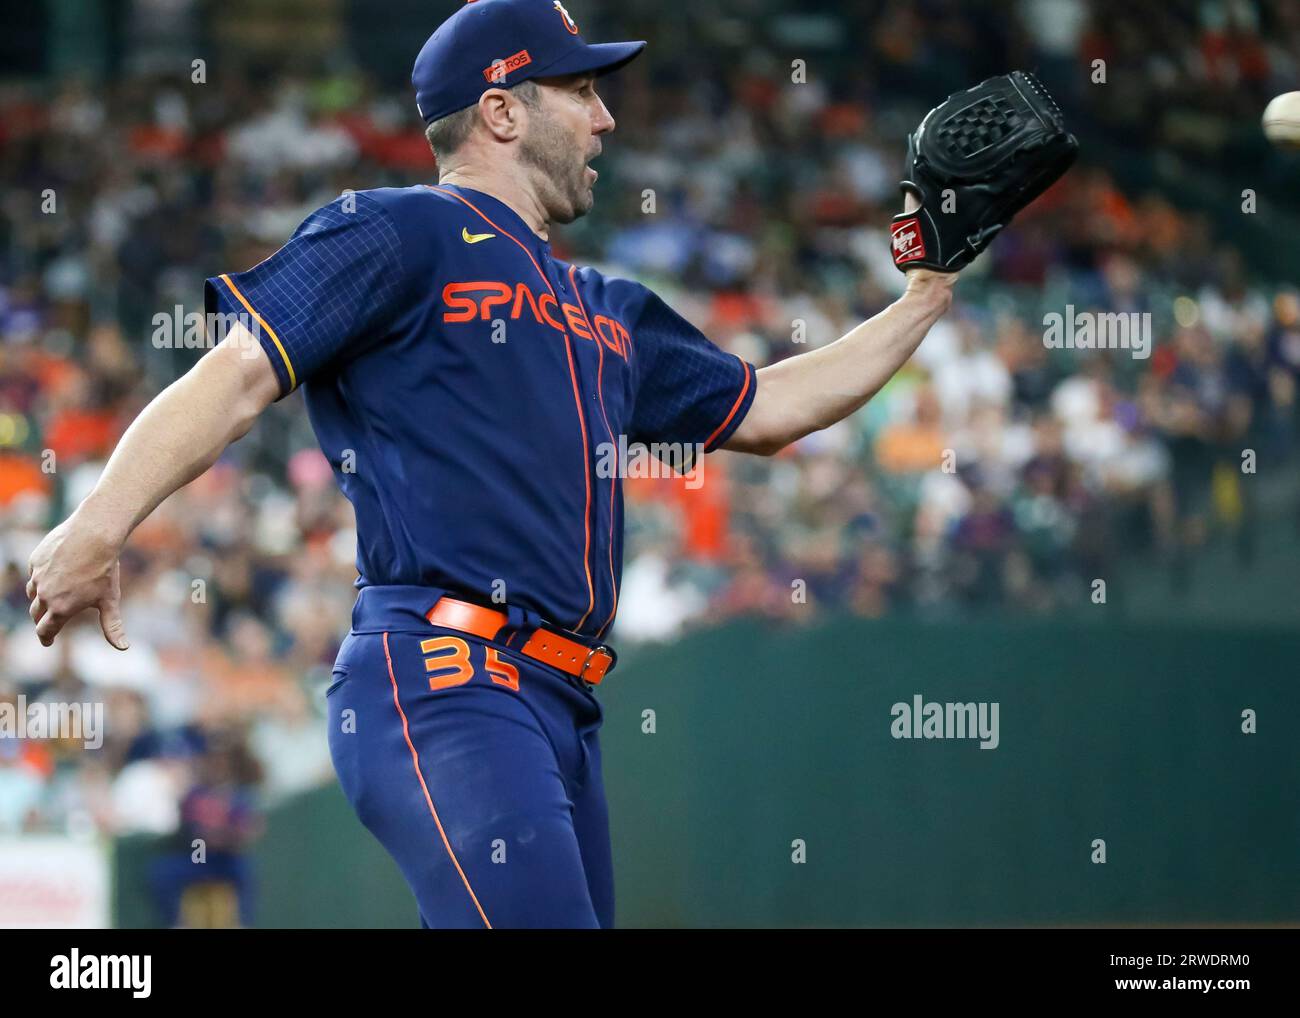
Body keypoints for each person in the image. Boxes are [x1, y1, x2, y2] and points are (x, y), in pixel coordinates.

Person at [26, 0, 958, 928]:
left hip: (563, 705)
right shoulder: (397, 232)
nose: (607, 119)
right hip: (445, 675)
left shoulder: (608, 306)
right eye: (582, 91)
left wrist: (926, 292)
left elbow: (771, 407)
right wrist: (98, 524)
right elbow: (234, 375)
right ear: (503, 111)